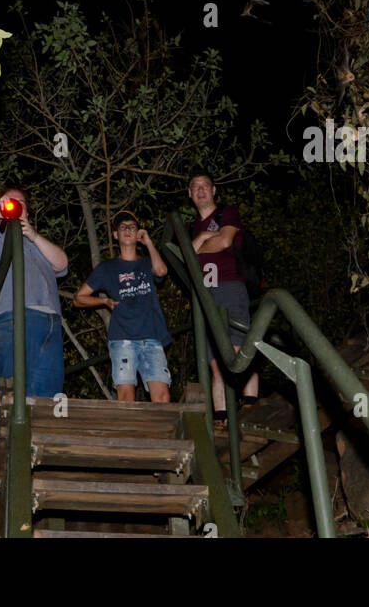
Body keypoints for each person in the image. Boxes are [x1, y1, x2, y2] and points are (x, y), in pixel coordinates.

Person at [0, 186, 68, 413]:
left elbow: (62, 263)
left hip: (50, 326)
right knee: (14, 401)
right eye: (9, 201)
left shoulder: (36, 243)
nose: (16, 205)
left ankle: (40, 447)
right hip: (7, 322)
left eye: (22, 202)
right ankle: (14, 448)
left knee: (47, 401)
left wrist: (33, 235)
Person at [74, 211, 171, 403]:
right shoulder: (107, 268)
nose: (127, 230)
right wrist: (104, 302)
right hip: (122, 339)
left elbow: (161, 271)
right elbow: (79, 298)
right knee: (126, 396)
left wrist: (148, 242)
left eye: (132, 227)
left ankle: (158, 434)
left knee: (162, 396)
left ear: (138, 233)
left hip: (152, 336)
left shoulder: (147, 262)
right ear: (115, 234)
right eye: (122, 227)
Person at [187, 171, 259, 421]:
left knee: (236, 351)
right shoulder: (191, 227)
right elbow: (186, 259)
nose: (201, 190)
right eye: (195, 187)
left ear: (214, 190)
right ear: (190, 194)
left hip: (229, 287)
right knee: (215, 362)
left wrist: (199, 245)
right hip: (205, 296)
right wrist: (203, 238)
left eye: (205, 185)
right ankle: (222, 417)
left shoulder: (227, 213)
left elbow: (225, 241)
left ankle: (250, 405)